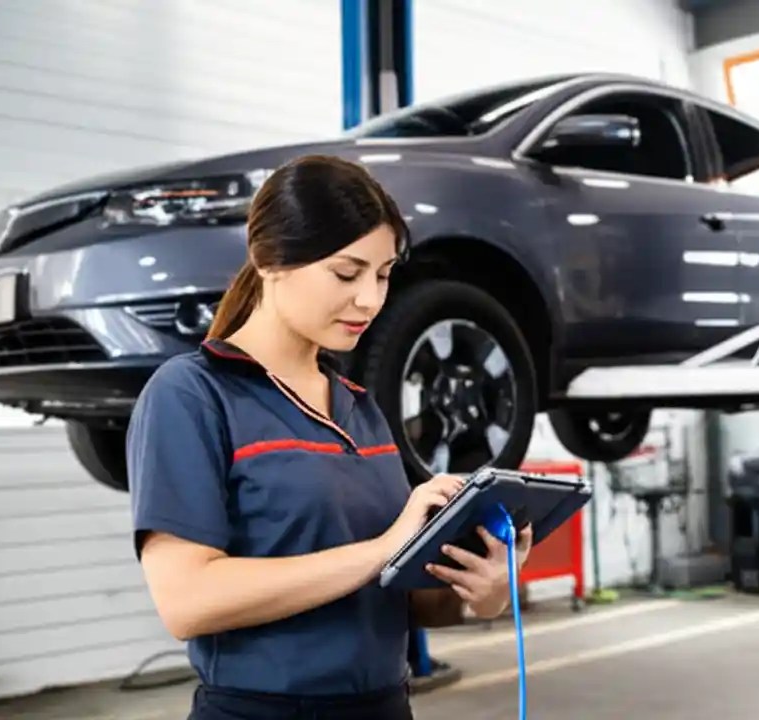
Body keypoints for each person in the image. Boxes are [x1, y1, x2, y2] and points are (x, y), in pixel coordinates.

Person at [125, 154, 533, 720]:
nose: (369, 298)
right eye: (347, 273)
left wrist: (484, 590)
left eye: (384, 275)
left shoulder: (360, 410)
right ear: (270, 260)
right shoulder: (193, 396)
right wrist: (381, 548)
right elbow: (187, 601)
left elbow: (398, 589)